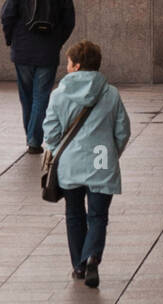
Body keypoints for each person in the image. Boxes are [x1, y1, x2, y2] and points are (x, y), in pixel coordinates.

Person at [42, 40, 131, 288]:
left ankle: (79, 266)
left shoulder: (59, 94)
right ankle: (92, 255)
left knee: (74, 213)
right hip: (102, 162)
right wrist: (112, 153)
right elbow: (123, 130)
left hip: (70, 163)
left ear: (77, 65)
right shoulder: (110, 93)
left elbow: (50, 132)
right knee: (98, 215)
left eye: (69, 63)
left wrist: (57, 148)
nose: (67, 67)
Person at [1, 0, 76, 153]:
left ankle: (32, 138)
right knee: (42, 95)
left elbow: (7, 15)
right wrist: (56, 41)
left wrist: (11, 39)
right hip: (48, 51)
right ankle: (34, 139)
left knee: (26, 97)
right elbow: (69, 21)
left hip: (22, 50)